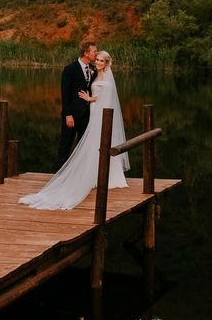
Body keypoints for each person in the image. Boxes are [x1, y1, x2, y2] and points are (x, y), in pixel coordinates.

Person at [20, 50, 130, 210]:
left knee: (98, 141)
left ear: (107, 63)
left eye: (101, 61)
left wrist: (90, 98)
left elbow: (108, 97)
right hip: (92, 112)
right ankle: (92, 174)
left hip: (100, 112)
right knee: (91, 143)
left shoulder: (106, 77)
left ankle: (105, 175)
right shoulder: (94, 74)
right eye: (97, 59)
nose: (98, 62)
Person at [55, 40, 97, 171]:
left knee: (83, 146)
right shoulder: (70, 69)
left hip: (86, 115)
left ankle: (79, 174)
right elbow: (65, 94)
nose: (96, 54)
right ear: (86, 53)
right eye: (94, 51)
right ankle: (59, 175)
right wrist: (68, 115)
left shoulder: (93, 70)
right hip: (72, 115)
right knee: (65, 145)